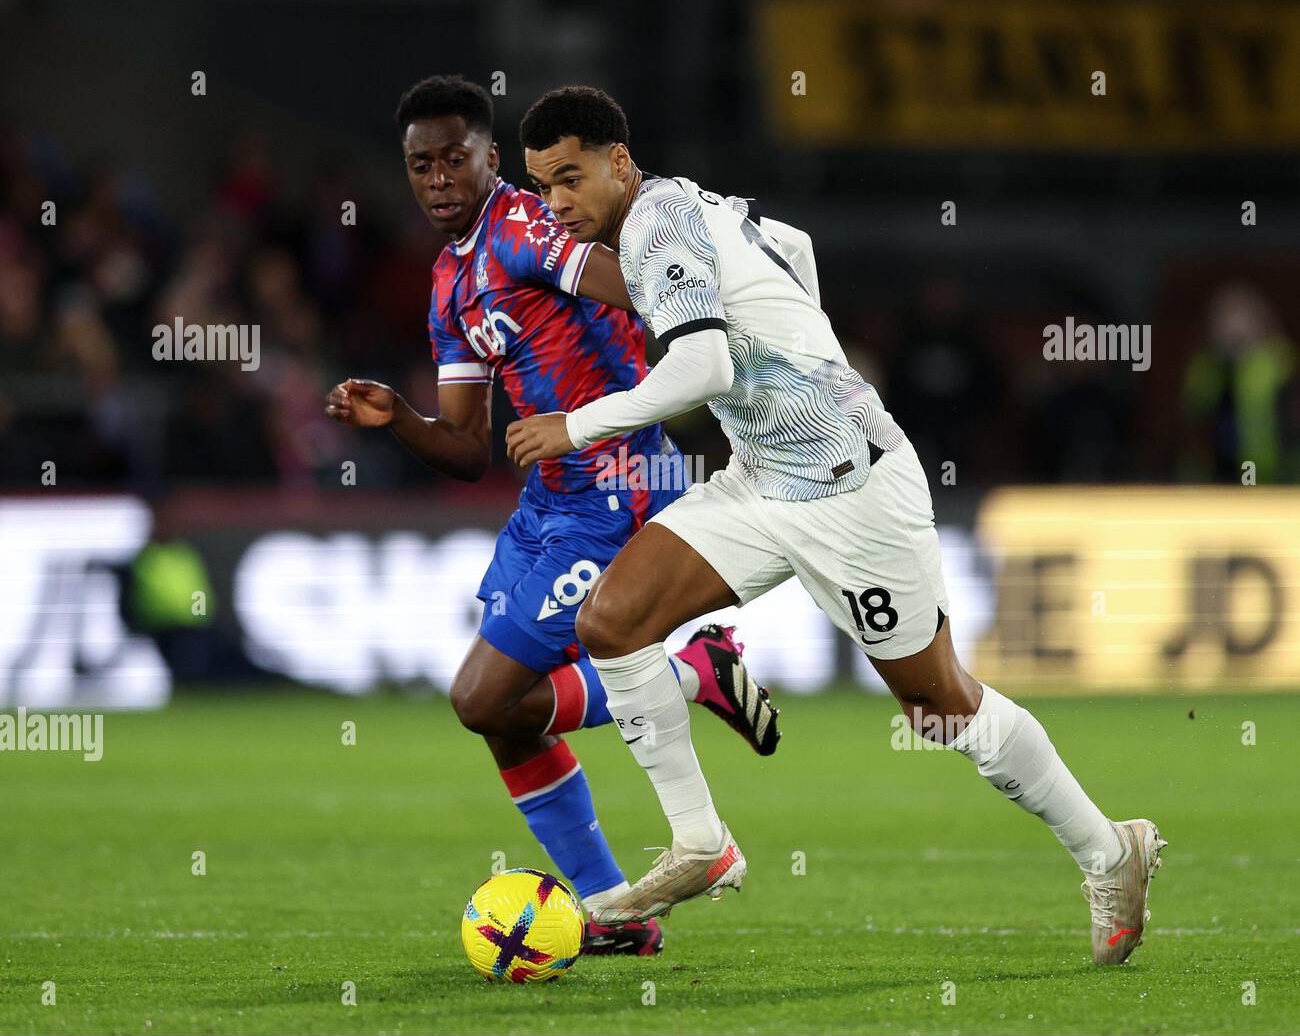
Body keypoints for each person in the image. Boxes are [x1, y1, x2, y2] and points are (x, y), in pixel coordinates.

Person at [506, 85, 1166, 965]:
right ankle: (700, 841)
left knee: (939, 707)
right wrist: (803, 351)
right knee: (613, 622)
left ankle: (1109, 848)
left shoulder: (657, 223)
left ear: (618, 161)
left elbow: (703, 366)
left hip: (852, 493)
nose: (556, 202)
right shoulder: (686, 203)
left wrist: (576, 425)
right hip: (762, 480)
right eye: (542, 185)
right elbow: (793, 245)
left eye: (569, 177)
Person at [326, 76, 780, 958]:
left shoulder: (526, 227)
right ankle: (614, 910)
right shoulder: (449, 281)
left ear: (491, 157)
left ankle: (692, 673)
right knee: (502, 714)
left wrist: (645, 373)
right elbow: (468, 449)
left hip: (616, 488)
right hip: (549, 502)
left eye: (454, 158)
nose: (438, 178)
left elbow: (643, 290)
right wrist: (401, 418)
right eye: (421, 165)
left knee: (480, 695)